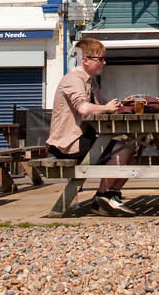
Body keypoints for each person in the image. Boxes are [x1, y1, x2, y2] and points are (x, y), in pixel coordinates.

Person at [46, 37, 135, 214]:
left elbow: (104, 105)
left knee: (133, 147)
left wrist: (122, 105)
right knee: (122, 148)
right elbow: (84, 108)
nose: (104, 62)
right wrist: (106, 108)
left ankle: (110, 195)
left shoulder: (90, 82)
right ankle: (102, 197)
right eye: (100, 59)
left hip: (83, 138)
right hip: (68, 143)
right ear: (85, 60)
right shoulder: (73, 80)